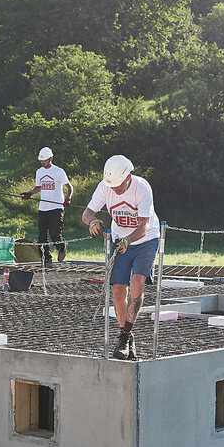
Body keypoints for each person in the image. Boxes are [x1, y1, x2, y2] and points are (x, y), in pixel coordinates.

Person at [82, 154, 159, 360]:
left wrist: (128, 240)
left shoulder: (142, 188)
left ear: (128, 176)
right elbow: (87, 213)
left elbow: (143, 226)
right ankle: (127, 336)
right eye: (112, 185)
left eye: (118, 185)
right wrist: (92, 221)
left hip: (145, 241)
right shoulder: (105, 187)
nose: (114, 189)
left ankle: (124, 336)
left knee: (137, 282)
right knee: (118, 288)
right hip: (119, 240)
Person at [22, 147, 72, 267]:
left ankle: (62, 246)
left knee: (55, 234)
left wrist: (68, 198)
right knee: (41, 237)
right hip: (43, 208)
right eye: (41, 160)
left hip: (56, 208)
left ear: (51, 158)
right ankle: (46, 260)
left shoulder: (58, 171)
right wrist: (30, 193)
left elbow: (69, 187)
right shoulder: (39, 172)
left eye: (44, 160)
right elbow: (39, 187)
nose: (42, 162)